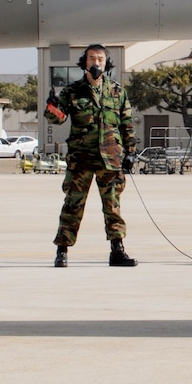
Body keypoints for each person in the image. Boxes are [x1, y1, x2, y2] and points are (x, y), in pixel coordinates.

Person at [45, 43, 138, 268]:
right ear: (84, 62)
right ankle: (62, 250)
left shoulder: (117, 92)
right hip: (81, 160)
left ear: (106, 63)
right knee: (72, 205)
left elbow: (126, 124)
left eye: (100, 59)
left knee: (113, 206)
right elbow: (58, 118)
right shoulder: (72, 91)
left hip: (111, 159)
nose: (96, 63)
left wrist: (131, 153)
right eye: (92, 59)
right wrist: (52, 107)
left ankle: (117, 250)